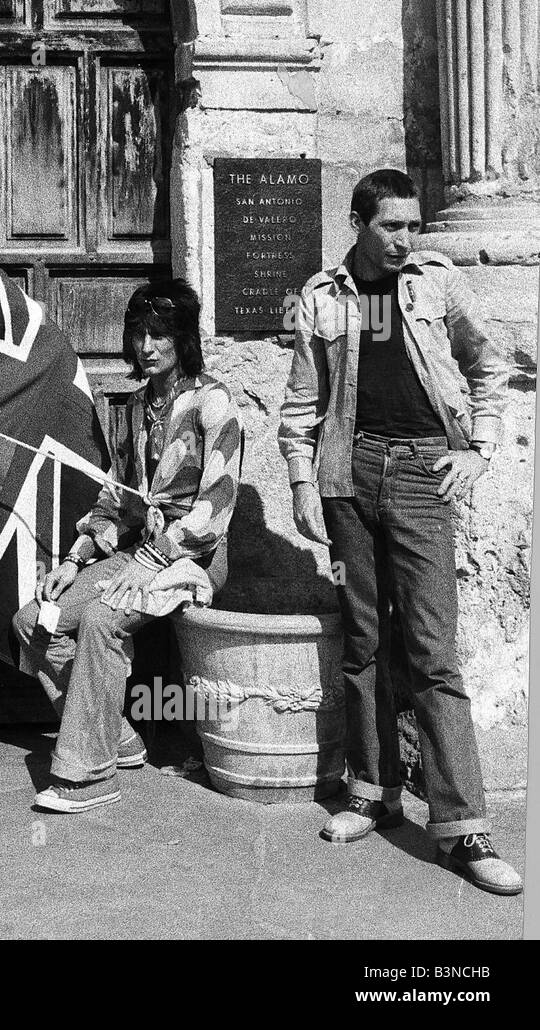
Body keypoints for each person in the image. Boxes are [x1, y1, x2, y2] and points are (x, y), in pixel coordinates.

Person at [279, 169, 520, 895]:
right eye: (392, 226)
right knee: (363, 641)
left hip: (420, 475)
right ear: (357, 223)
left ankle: (464, 827)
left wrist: (478, 448)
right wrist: (300, 485)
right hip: (347, 479)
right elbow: (300, 403)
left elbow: (489, 363)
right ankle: (373, 793)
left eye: (413, 225)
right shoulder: (323, 298)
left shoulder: (435, 284)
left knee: (432, 650)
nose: (406, 238)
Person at [12, 279, 242, 813]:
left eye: (160, 334)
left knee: (100, 620)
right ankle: (119, 736)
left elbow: (216, 509)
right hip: (137, 551)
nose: (147, 346)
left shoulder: (214, 402)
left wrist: (155, 559)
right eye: (139, 334)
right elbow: (116, 497)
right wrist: (75, 559)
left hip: (192, 558)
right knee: (33, 621)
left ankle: (87, 776)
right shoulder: (136, 407)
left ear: (183, 338)